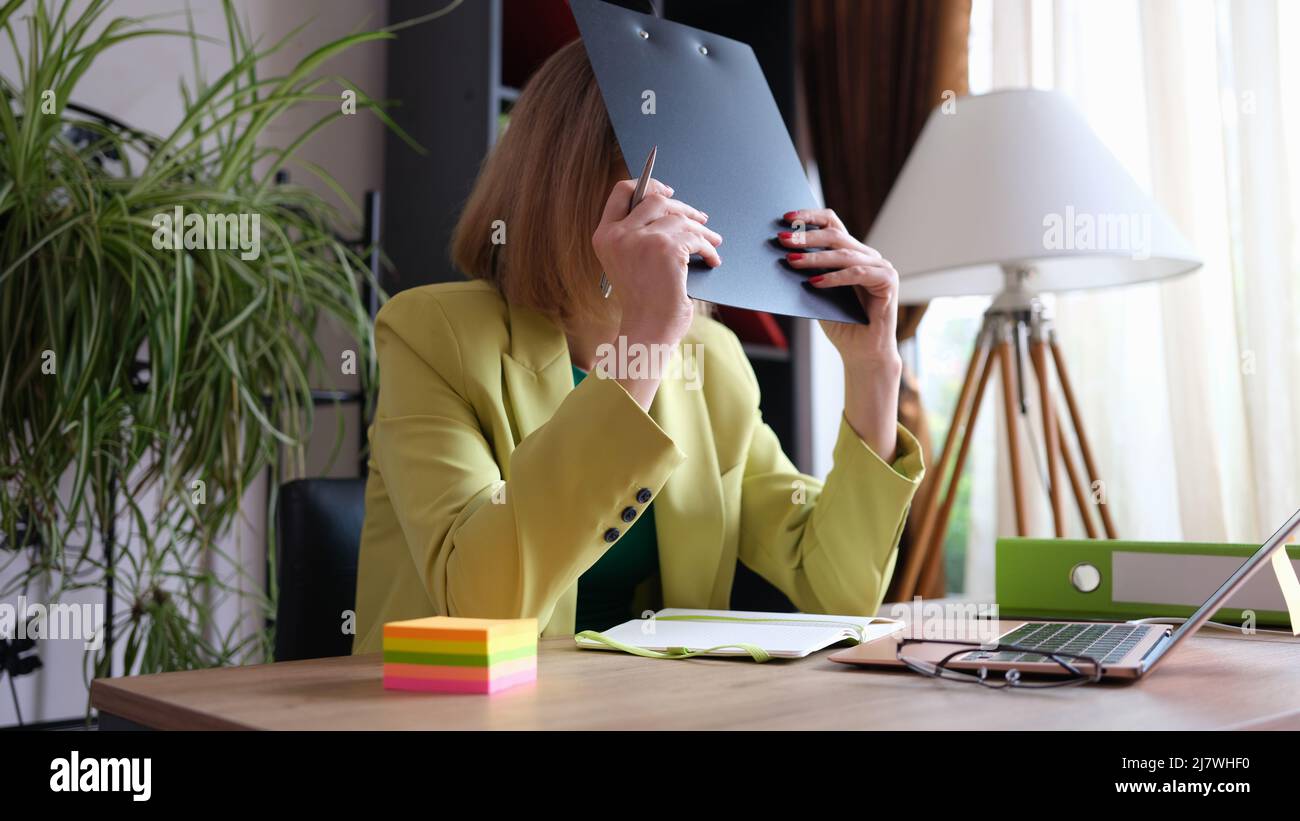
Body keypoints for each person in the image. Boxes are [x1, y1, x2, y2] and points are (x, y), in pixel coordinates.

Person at [351, 40, 924, 654]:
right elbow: (480, 606)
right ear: (568, 181)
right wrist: (645, 339)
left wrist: (872, 369)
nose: (702, 213)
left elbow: (834, 586)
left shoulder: (713, 360)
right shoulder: (430, 334)